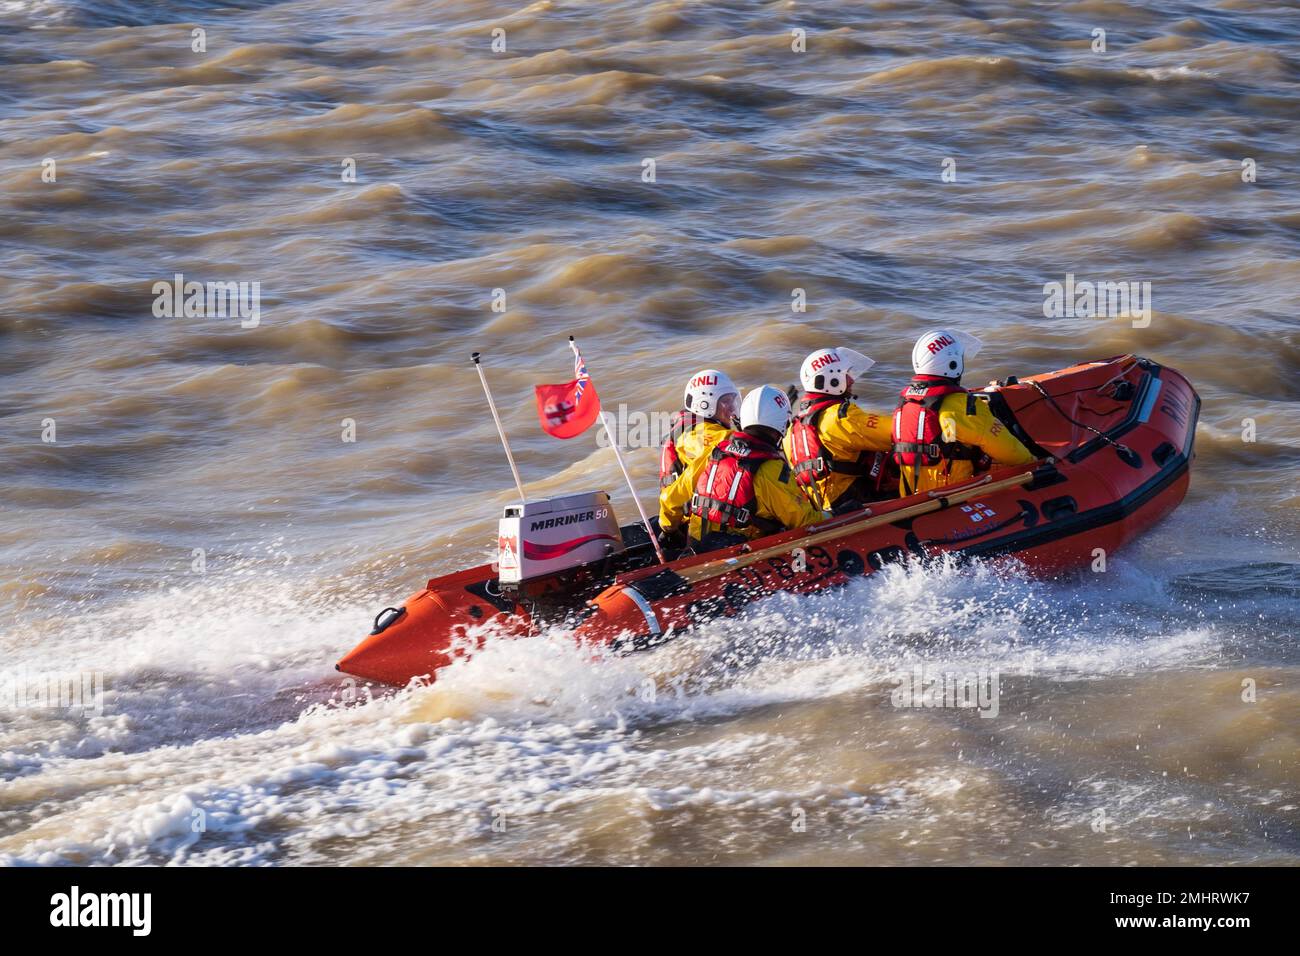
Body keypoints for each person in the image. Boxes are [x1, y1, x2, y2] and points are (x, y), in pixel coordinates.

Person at [659, 385, 824, 550]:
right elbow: (805, 522)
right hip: (738, 554)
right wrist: (830, 515)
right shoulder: (771, 469)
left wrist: (669, 530)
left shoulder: (713, 453)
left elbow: (671, 499)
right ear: (782, 423)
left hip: (695, 547)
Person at [892, 329, 1035, 495]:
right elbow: (1008, 450)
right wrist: (1033, 462)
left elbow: (947, 432)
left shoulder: (905, 403)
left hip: (911, 498)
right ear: (953, 364)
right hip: (951, 497)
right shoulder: (961, 406)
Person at [783, 347, 895, 513]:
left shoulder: (792, 428)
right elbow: (898, 431)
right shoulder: (842, 417)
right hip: (856, 503)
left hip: (819, 507)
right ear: (832, 381)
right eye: (847, 375)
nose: (851, 381)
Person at [659, 369, 740, 490]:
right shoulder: (692, 434)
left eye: (733, 400)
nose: (733, 407)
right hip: (689, 506)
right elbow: (721, 442)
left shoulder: (689, 425)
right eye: (726, 401)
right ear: (705, 404)